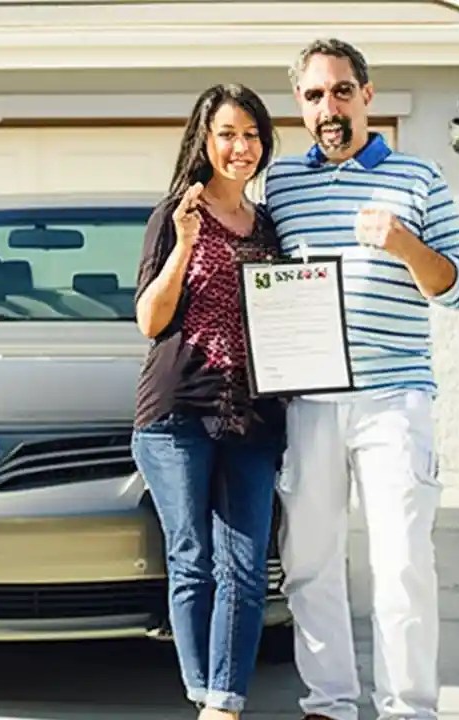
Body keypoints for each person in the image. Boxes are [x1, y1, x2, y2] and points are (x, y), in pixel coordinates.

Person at [265, 38, 459, 720]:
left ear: (367, 94)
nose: (329, 107)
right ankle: (329, 702)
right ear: (300, 105)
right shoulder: (282, 185)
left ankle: (408, 708)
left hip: (393, 401)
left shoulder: (418, 178)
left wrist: (402, 242)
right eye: (314, 95)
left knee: (402, 565)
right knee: (310, 564)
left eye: (341, 91)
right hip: (309, 404)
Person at [131, 83, 287, 720]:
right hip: (177, 416)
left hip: (252, 416)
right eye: (228, 133)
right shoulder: (174, 214)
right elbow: (149, 319)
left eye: (251, 135)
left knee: (247, 566)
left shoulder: (269, 224)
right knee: (193, 558)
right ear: (205, 139)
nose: (240, 146)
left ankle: (220, 702)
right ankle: (212, 701)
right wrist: (187, 244)